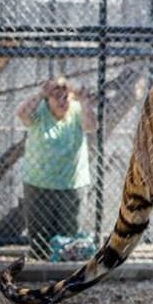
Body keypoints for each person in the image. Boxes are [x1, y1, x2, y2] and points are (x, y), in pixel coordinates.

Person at [15, 77, 97, 260]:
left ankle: (62, 275)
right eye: (56, 97)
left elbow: (91, 126)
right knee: (39, 243)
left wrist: (83, 100)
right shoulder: (40, 111)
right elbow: (21, 114)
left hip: (71, 183)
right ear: (47, 99)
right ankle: (41, 274)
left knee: (68, 238)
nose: (61, 101)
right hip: (38, 182)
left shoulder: (77, 111)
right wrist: (40, 93)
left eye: (65, 97)